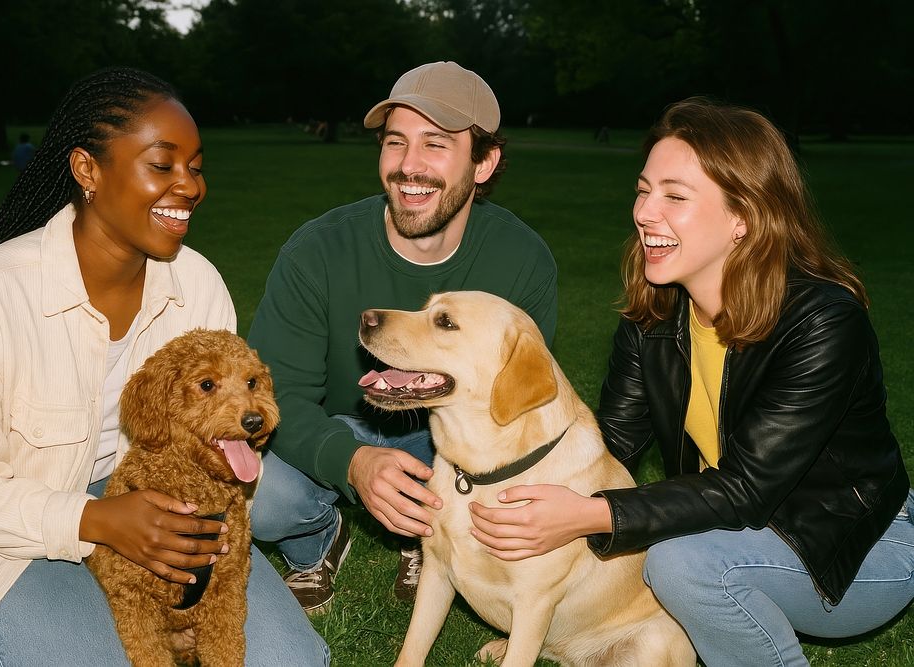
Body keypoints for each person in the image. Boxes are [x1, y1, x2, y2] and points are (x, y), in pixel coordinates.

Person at [466, 97, 914, 665]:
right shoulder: (656, 314)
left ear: (743, 216)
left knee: (680, 565)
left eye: (675, 196)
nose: (646, 212)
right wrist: (513, 482)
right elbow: (610, 447)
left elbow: (749, 489)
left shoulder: (822, 322)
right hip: (725, 526)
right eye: (644, 190)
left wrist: (594, 514)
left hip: (853, 548)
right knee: (672, 556)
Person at [0, 66, 328, 667]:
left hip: (148, 494)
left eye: (196, 165)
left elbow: (224, 422)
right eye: (163, 165)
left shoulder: (198, 284)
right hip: (0, 538)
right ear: (88, 170)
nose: (189, 186)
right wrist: (96, 518)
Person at [247, 61, 558, 613]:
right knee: (261, 499)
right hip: (347, 427)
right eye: (396, 143)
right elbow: (272, 395)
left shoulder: (521, 261)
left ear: (483, 163)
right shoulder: (318, 250)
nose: (408, 167)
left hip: (453, 438)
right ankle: (320, 539)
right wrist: (352, 461)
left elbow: (517, 406)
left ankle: (428, 534)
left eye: (435, 145)